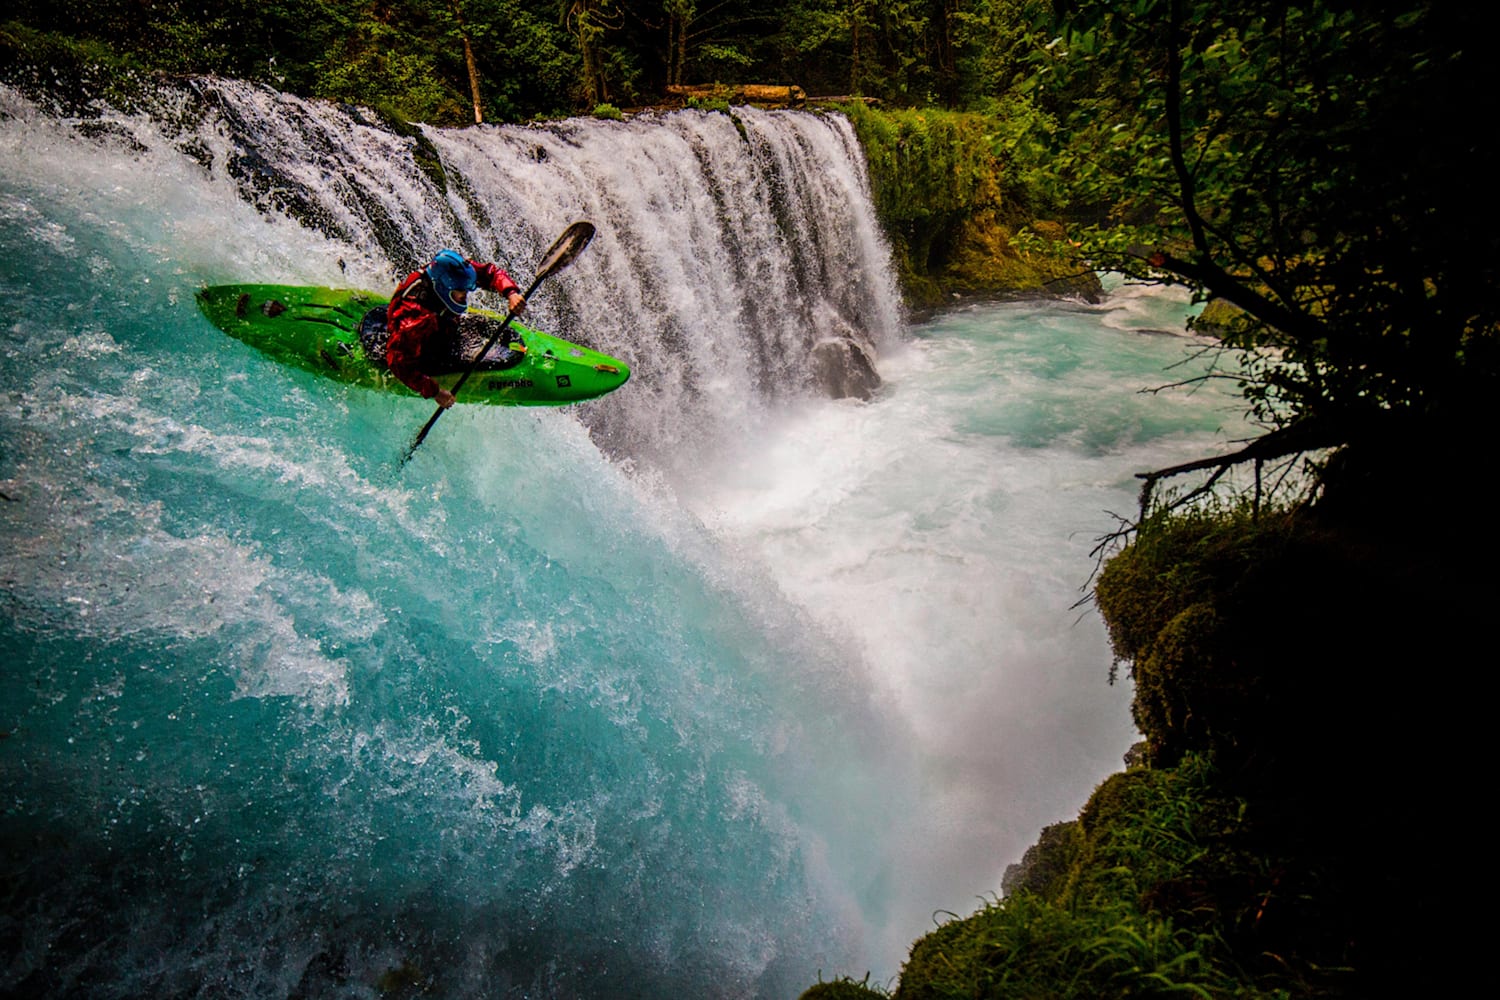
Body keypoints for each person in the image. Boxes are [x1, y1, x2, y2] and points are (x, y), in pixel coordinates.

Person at [384, 249, 527, 408]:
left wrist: (511, 292)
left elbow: (490, 273)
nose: (465, 295)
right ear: (444, 288)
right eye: (461, 292)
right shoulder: (416, 319)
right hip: (421, 348)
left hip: (439, 325)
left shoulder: (448, 272)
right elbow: (398, 364)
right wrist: (435, 392)